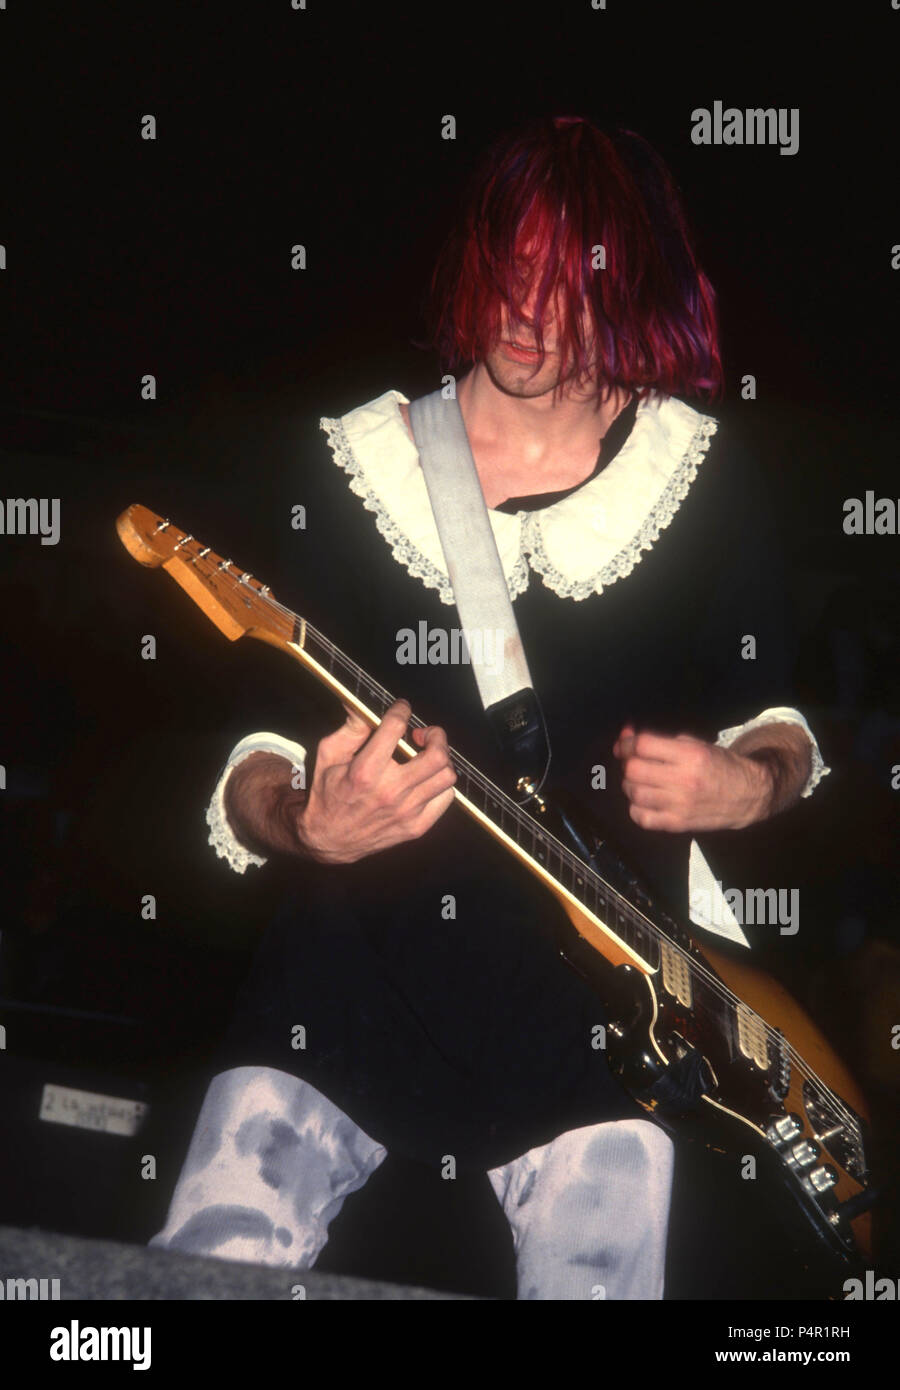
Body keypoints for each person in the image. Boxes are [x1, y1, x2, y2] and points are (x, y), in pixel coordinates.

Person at [149, 115, 828, 1299]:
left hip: (606, 1021)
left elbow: (787, 722)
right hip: (346, 982)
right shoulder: (354, 463)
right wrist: (304, 820)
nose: (524, 316)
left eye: (563, 289)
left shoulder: (704, 476)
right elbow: (245, 752)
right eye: (507, 279)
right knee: (198, 1274)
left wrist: (751, 780)